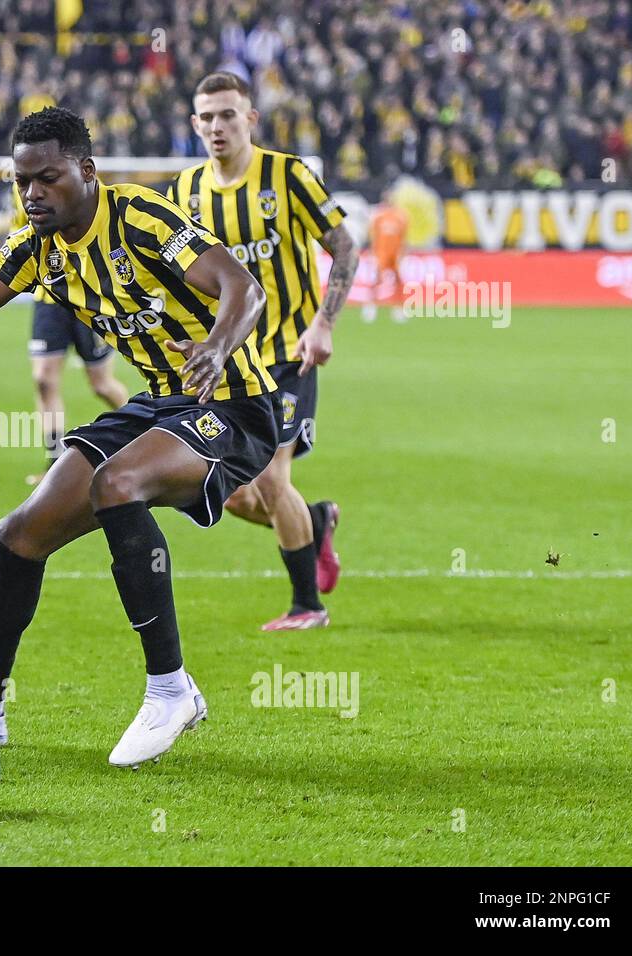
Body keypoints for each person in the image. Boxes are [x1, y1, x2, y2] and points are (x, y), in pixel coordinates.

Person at [0, 107, 277, 768]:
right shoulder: (36, 247)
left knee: (117, 483)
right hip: (161, 401)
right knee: (19, 535)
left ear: (87, 172)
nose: (33, 193)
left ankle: (170, 690)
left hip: (234, 402)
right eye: (22, 182)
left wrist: (215, 346)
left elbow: (244, 288)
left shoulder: (141, 220)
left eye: (48, 178)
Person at [168, 72, 360, 630]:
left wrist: (324, 324)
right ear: (194, 125)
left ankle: (308, 607)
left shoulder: (289, 175)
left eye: (228, 114)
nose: (217, 126)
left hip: (289, 353)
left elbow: (344, 246)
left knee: (273, 482)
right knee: (235, 497)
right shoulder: (184, 194)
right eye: (207, 117)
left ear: (250, 118)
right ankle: (318, 523)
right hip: (230, 361)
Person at [10, 189, 128, 483]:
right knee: (44, 380)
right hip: (47, 297)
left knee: (101, 384)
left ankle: (148, 434)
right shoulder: (19, 189)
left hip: (86, 297)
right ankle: (54, 461)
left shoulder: (70, 182)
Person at [363, 187, 410, 322]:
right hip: (381, 253)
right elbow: (373, 236)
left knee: (398, 281)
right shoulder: (378, 216)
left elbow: (404, 238)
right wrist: (373, 253)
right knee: (377, 280)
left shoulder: (401, 216)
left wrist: (403, 253)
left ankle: (398, 309)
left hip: (395, 253)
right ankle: (371, 307)